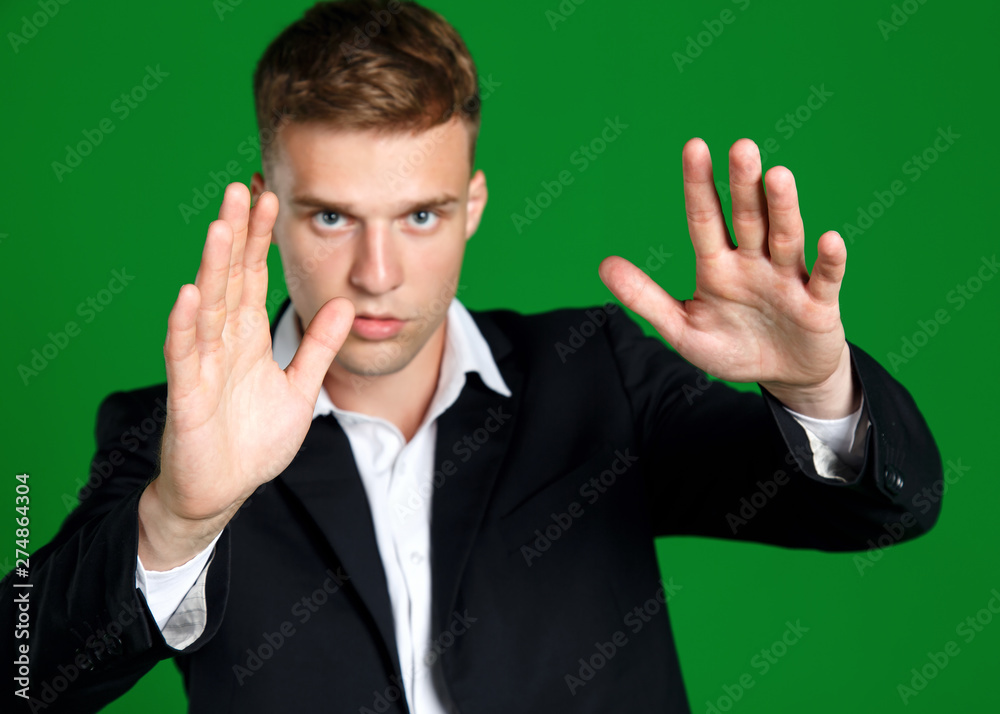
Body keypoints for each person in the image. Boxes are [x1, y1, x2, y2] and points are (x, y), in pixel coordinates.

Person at [1, 1, 942, 712]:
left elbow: (875, 513)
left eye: (421, 215)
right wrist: (176, 521)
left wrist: (817, 387)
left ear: (474, 206)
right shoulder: (169, 430)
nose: (377, 274)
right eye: (332, 215)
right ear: (268, 205)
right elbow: (20, 673)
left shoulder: (594, 373)